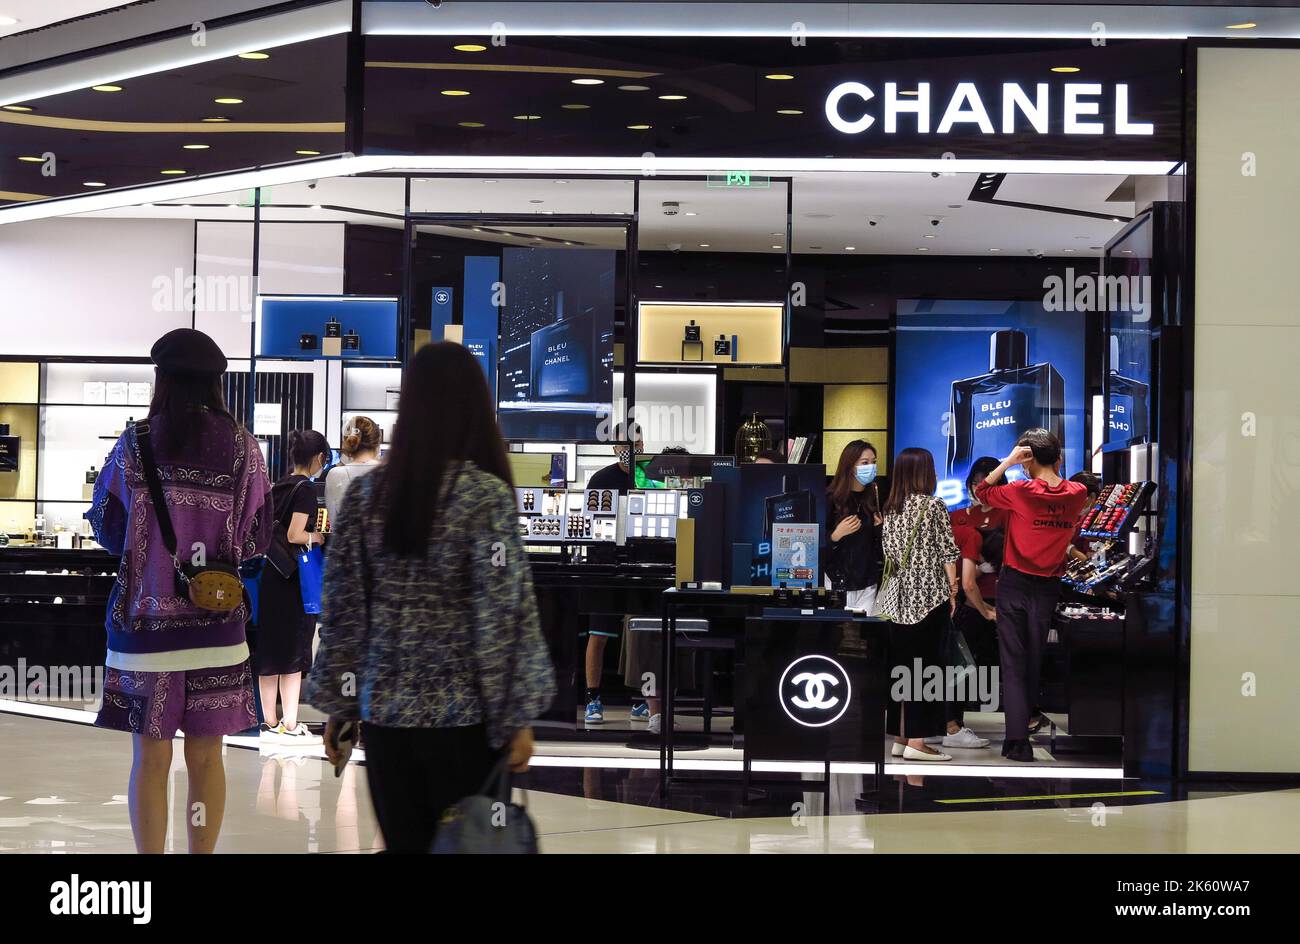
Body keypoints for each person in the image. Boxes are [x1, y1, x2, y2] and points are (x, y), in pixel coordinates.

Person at [308, 342, 555, 853]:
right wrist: (515, 718)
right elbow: (502, 616)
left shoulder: (366, 497)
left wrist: (339, 706)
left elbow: (344, 614)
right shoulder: (483, 496)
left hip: (387, 720)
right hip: (466, 726)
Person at [86, 328, 272, 853]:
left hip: (146, 629)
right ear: (218, 384)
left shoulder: (136, 442)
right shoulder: (244, 447)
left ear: (161, 379)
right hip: (218, 628)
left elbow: (108, 528)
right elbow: (258, 538)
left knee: (150, 759)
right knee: (208, 759)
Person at [974, 429, 1090, 762]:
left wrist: (1008, 462)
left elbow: (983, 491)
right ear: (1059, 458)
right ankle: (1024, 727)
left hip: (1013, 583)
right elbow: (1062, 486)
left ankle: (1017, 741)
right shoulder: (1078, 493)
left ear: (1026, 459)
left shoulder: (1020, 490)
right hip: (1047, 586)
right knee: (1034, 660)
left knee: (1013, 661)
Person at [875, 447, 960, 762]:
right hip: (928, 598)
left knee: (901, 669)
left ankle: (900, 737)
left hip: (897, 601)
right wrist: (953, 590)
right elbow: (948, 551)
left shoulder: (891, 508)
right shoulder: (934, 506)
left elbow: (889, 552)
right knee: (926, 670)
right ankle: (918, 742)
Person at [255, 429, 329, 743]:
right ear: (319, 459)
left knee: (270, 650)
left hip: (271, 575)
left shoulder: (277, 486)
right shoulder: (306, 490)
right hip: (293, 580)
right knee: (294, 652)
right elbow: (295, 535)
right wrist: (318, 537)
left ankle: (269, 722)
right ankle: (290, 722)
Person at [930, 456, 1006, 750]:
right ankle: (951, 723)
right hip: (964, 601)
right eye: (975, 483)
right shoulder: (958, 517)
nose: (979, 488)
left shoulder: (1009, 515)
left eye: (987, 483)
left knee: (989, 665)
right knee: (959, 664)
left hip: (998, 599)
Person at [582, 424, 644, 725]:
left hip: (641, 568)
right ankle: (593, 698)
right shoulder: (601, 479)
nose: (631, 449)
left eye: (636, 442)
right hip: (606, 566)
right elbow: (591, 526)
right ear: (614, 448)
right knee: (599, 634)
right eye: (624, 444)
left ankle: (642, 699)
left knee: (641, 636)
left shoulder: (651, 476)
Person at [825, 440, 883, 614]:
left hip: (867, 582)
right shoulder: (830, 499)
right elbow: (813, 544)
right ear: (850, 465)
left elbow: (876, 546)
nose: (871, 467)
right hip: (835, 581)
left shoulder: (875, 499)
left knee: (863, 635)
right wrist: (836, 535)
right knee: (836, 635)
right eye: (865, 463)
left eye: (873, 462)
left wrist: (879, 529)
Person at [324, 415, 383, 528]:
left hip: (346, 544)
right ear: (377, 443)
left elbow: (334, 523)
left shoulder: (334, 474)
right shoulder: (390, 473)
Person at [1066, 471, 1102, 564]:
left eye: (1076, 499)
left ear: (1092, 497)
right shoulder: (1082, 517)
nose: (1073, 504)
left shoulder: (1099, 523)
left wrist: (1069, 548)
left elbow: (1094, 563)